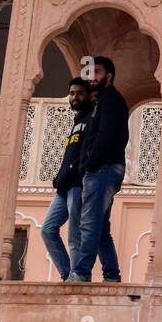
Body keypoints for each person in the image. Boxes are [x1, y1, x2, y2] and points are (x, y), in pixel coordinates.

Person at [67, 56, 129, 283]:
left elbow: (106, 137)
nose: (92, 77)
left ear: (109, 76)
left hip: (103, 169)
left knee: (89, 223)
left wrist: (89, 164)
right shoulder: (101, 102)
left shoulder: (111, 101)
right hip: (100, 169)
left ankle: (81, 273)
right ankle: (111, 275)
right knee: (101, 227)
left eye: (98, 72)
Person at [41, 77, 90, 280]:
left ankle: (77, 277)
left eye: (79, 93)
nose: (75, 97)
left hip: (77, 185)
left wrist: (75, 170)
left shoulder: (90, 119)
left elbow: (86, 153)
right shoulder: (76, 121)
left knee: (74, 236)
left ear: (87, 95)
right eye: (71, 93)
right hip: (64, 186)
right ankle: (67, 273)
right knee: (47, 230)